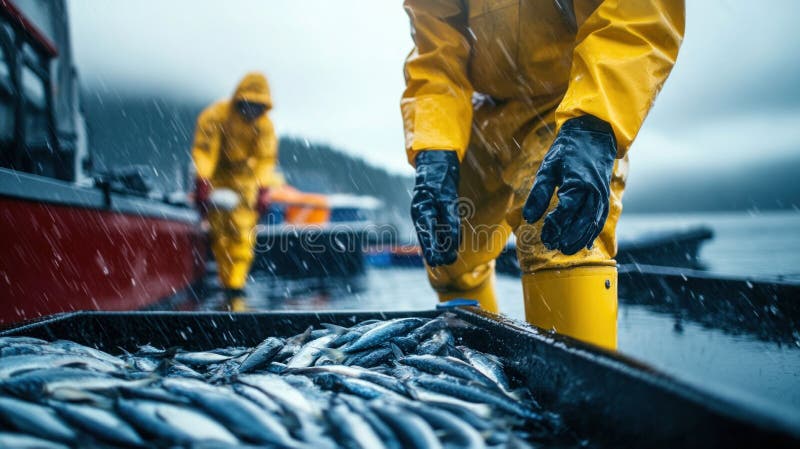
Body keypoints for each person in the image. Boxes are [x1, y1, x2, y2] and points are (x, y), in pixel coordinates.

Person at [403, 0, 684, 349]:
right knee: (447, 240)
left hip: (570, 104)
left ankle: (577, 394)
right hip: (483, 109)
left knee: (563, 232)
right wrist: (435, 148)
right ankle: (479, 372)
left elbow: (637, 14)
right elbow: (437, 54)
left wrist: (595, 121)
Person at [192, 72, 280, 309]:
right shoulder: (215, 116)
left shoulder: (265, 126)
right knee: (220, 236)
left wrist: (263, 188)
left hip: (245, 183)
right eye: (250, 104)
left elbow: (265, 159)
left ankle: (234, 287)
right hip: (217, 181)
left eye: (258, 106)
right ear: (240, 101)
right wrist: (203, 178)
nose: (253, 111)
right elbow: (205, 150)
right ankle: (228, 285)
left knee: (243, 235)